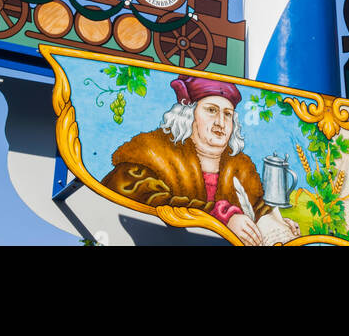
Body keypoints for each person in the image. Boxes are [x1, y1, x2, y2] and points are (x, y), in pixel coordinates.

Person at [103, 75, 299, 246]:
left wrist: (275, 224)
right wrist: (221, 218)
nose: (221, 122)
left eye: (228, 114)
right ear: (188, 115)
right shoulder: (152, 153)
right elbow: (141, 198)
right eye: (211, 110)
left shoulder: (240, 168)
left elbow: (256, 206)